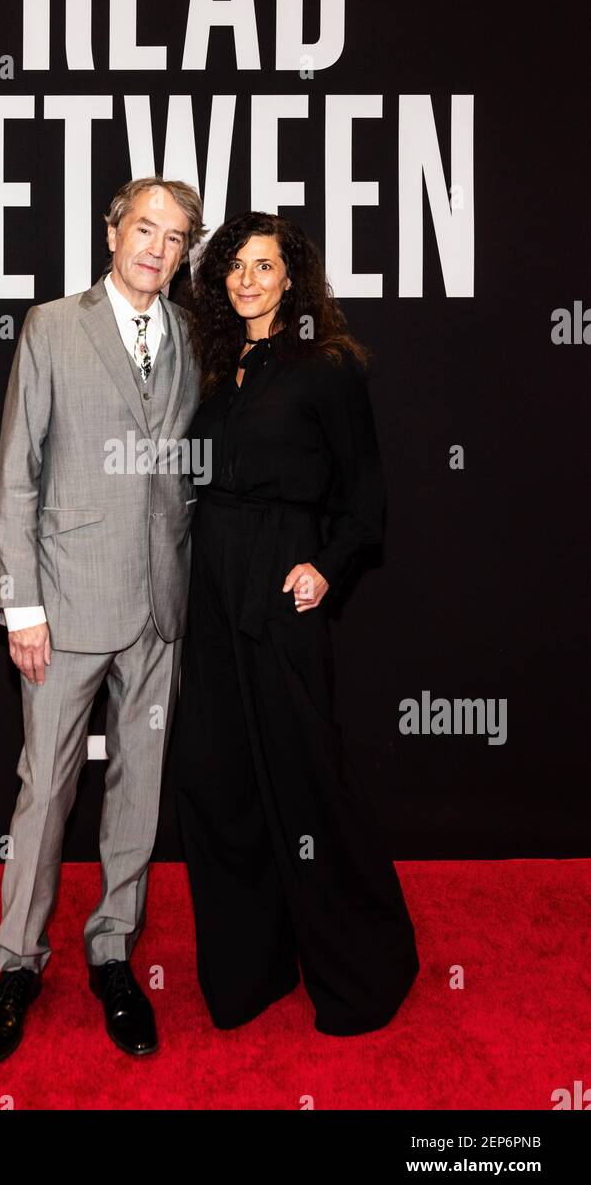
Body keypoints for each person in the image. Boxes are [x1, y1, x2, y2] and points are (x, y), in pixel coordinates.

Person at [0, 176, 206, 1063]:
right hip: (63, 604)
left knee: (137, 789)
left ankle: (112, 950)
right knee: (45, 794)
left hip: (159, 607)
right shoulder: (50, 326)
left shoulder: (187, 334)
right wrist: (19, 603)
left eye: (175, 237)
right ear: (112, 232)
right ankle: (17, 966)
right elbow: (16, 474)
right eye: (144, 227)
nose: (157, 246)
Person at [170, 212, 419, 1035]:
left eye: (264, 266)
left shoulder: (327, 369)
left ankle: (363, 965)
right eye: (234, 266)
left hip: (280, 587)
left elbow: (367, 500)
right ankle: (252, 970)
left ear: (292, 278)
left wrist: (324, 567)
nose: (247, 279)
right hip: (209, 589)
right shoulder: (211, 364)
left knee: (307, 777)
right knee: (218, 780)